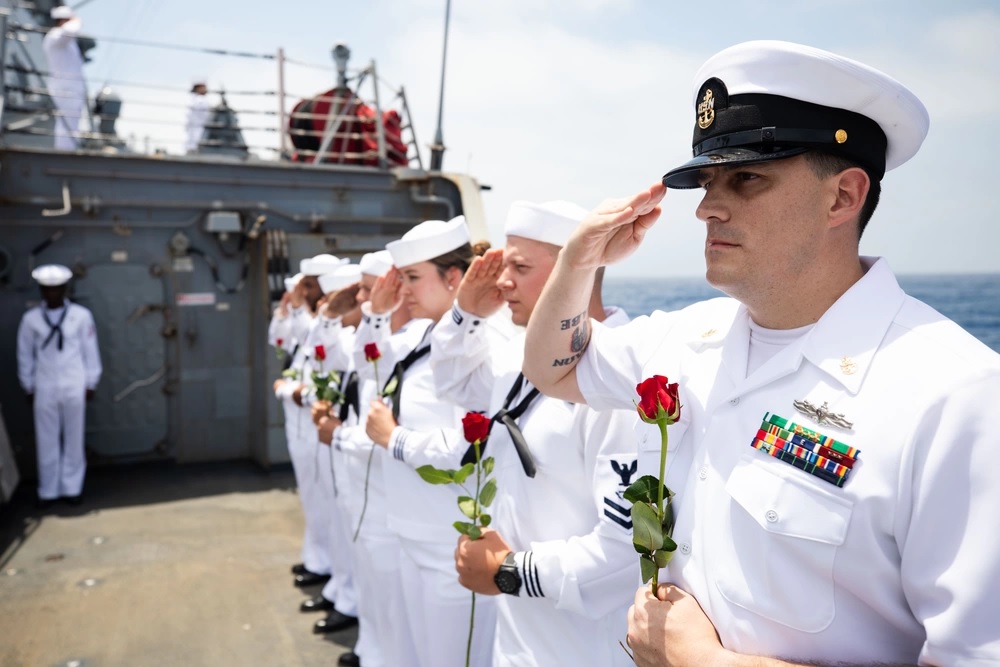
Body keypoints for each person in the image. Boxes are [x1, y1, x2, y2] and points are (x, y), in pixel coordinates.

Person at [522, 40, 1000, 666]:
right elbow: (555, 370)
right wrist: (575, 262)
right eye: (707, 181)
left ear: (843, 197)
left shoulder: (954, 396)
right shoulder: (689, 339)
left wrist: (710, 663)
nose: (706, 208)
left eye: (746, 178)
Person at [435, 200, 640, 666]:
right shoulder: (519, 360)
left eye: (520, 267)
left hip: (583, 645)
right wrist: (465, 313)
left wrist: (508, 572)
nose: (502, 281)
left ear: (577, 273)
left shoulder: (625, 387)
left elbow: (626, 551)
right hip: (519, 633)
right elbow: (452, 382)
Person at [357, 217, 508, 667]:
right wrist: (376, 315)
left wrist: (394, 439)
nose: (403, 289)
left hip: (452, 546)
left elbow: (472, 446)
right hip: (409, 530)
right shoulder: (421, 335)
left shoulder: (487, 343)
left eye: (412, 277)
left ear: (454, 278)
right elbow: (370, 369)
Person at [273, 253, 347, 587]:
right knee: (313, 499)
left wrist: (289, 391)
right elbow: (282, 341)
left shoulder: (336, 328)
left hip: (324, 427)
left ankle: (330, 569)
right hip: (304, 425)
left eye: (310, 285)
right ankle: (319, 560)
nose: (305, 291)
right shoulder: (313, 323)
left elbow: (321, 377)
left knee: (331, 504)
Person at [16, 264, 102, 507]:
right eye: (47, 289)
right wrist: (29, 386)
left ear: (65, 289)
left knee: (74, 438)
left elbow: (90, 351)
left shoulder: (81, 316)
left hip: (74, 383)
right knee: (46, 439)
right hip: (45, 385)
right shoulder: (31, 320)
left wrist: (91, 381)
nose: (52, 293)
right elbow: (25, 355)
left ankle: (72, 488)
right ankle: (48, 490)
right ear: (42, 291)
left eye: (57, 289)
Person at [43, 6, 86, 150]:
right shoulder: (55, 36)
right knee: (66, 123)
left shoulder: (63, 39)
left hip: (69, 88)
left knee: (71, 124)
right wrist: (76, 20)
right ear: (63, 21)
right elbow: (70, 30)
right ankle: (65, 152)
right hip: (65, 88)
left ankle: (69, 150)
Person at [184, 78, 211, 153]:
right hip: (199, 130)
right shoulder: (200, 100)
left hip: (194, 131)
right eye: (203, 87)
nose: (206, 89)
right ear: (198, 88)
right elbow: (208, 116)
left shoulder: (192, 100)